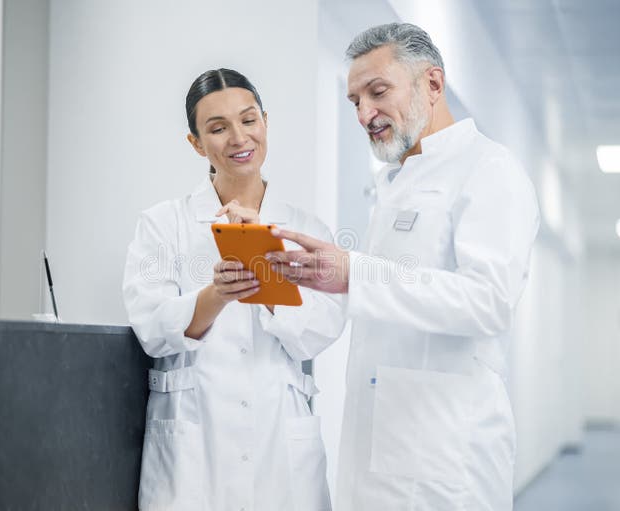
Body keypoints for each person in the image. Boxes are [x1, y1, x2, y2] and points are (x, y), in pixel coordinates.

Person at [266, 23, 540, 510]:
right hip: (381, 444)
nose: (364, 114)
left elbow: (488, 302)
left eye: (378, 92)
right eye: (355, 101)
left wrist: (356, 273)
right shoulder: (396, 183)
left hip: (443, 454)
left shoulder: (489, 170)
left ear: (432, 84)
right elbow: (386, 301)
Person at [122, 68, 343, 511]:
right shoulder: (163, 225)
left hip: (280, 449)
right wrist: (216, 296)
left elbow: (319, 332)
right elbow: (152, 330)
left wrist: (264, 263)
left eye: (248, 120)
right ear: (196, 143)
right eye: (218, 128)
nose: (239, 138)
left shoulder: (305, 229)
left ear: (265, 121)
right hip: (193, 452)